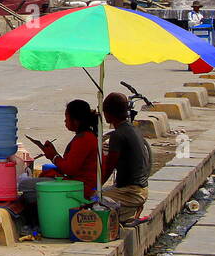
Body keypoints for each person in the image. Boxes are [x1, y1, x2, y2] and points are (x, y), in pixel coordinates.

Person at [99, 91, 151, 222]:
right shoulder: (132, 129)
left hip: (131, 192)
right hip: (142, 189)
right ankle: (129, 211)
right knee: (103, 194)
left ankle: (129, 213)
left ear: (108, 113)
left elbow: (109, 168)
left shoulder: (118, 135)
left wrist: (96, 188)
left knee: (92, 202)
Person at [37, 99, 101, 200]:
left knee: (26, 185)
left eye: (66, 117)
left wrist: (54, 156)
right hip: (78, 183)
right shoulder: (86, 136)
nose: (65, 120)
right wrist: (54, 154)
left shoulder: (84, 139)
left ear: (76, 120)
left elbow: (69, 169)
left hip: (79, 187)